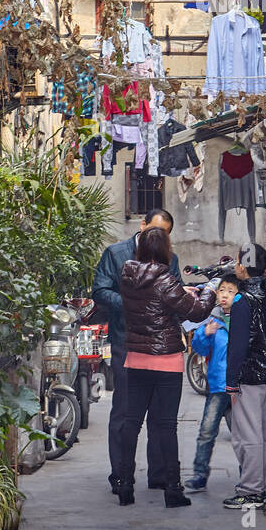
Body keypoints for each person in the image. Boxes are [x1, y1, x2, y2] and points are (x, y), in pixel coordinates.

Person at [116, 225, 217, 506]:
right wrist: (209, 289)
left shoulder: (127, 275)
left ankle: (125, 485)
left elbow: (152, 298)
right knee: (166, 426)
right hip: (167, 360)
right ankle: (173, 490)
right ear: (165, 250)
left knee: (131, 423)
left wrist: (179, 290)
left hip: (136, 356)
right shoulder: (166, 280)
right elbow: (195, 311)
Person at [92, 209, 181, 493]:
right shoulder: (116, 254)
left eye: (164, 233)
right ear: (141, 226)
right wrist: (134, 303)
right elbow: (100, 291)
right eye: (153, 230)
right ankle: (120, 474)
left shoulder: (171, 260)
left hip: (160, 348)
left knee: (160, 413)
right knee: (125, 411)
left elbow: (175, 297)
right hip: (125, 341)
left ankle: (159, 475)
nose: (157, 237)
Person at [224, 243, 266, 510]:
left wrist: (231, 380)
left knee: (247, 436)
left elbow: (237, 346)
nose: (235, 266)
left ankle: (250, 491)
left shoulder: (242, 301)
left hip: (249, 375)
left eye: (238, 262)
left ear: (243, 267)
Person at [184, 271, 240, 493]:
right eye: (222, 290)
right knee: (207, 432)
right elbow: (199, 350)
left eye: (231, 291)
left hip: (238, 388)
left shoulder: (243, 319)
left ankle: (250, 474)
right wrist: (204, 334)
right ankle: (199, 474)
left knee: (243, 435)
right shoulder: (212, 320)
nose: (225, 295)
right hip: (217, 387)